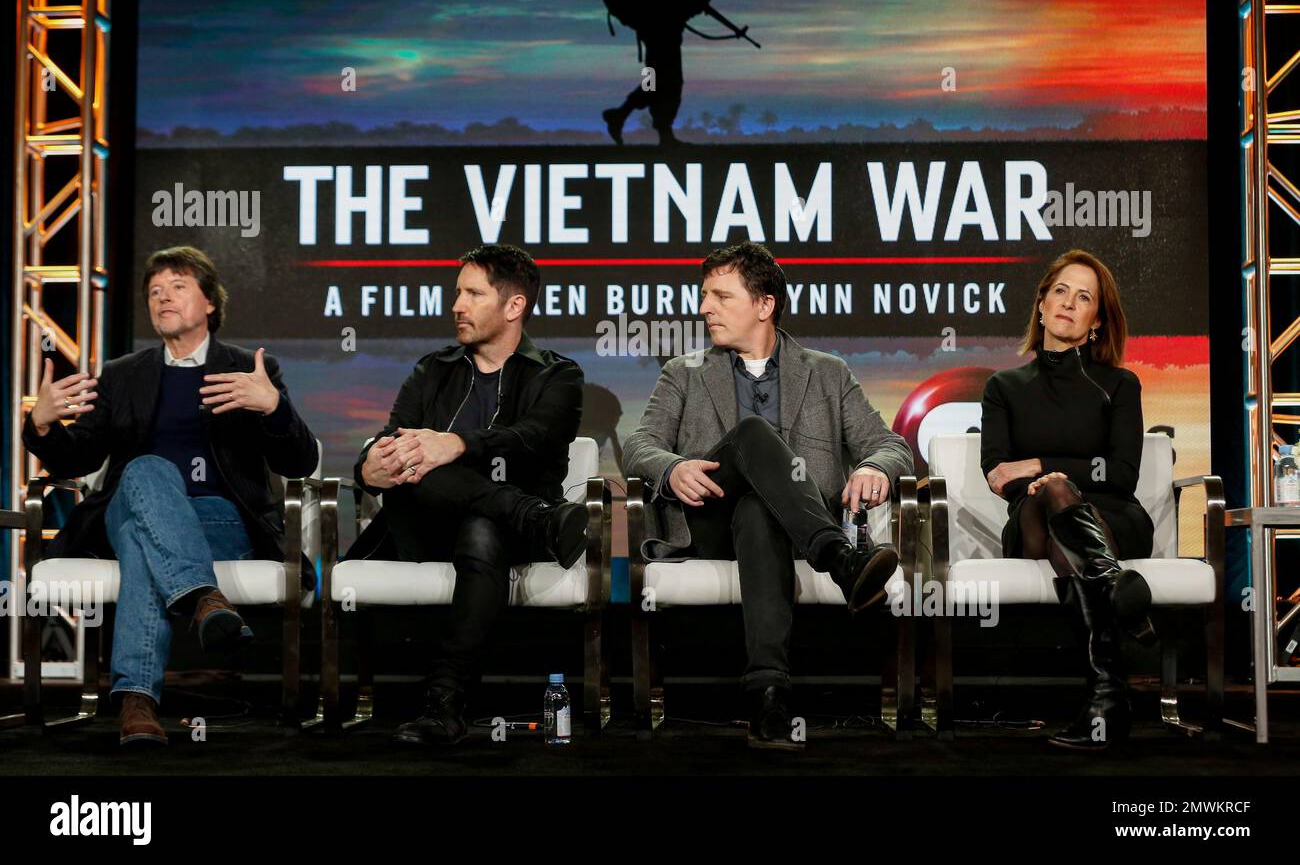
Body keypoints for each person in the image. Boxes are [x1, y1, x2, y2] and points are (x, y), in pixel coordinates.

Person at [22, 246, 319, 746]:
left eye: (178, 286)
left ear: (210, 303)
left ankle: (138, 702)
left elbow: (299, 463)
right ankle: (205, 598)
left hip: (221, 521)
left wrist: (274, 410)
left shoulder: (248, 369)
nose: (163, 298)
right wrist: (42, 426)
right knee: (146, 471)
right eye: (154, 291)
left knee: (145, 545)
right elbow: (79, 459)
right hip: (125, 509)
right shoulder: (123, 374)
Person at [624, 241, 914, 750]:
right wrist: (672, 468)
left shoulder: (828, 372)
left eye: (720, 296)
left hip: (783, 529)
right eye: (703, 295)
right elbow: (639, 445)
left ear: (764, 305)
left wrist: (874, 466)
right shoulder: (683, 373)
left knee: (759, 510)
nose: (703, 307)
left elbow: (891, 446)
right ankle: (838, 556)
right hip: (710, 522)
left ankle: (768, 697)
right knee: (754, 432)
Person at [351, 244, 586, 745]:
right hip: (428, 526)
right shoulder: (432, 369)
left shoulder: (557, 375)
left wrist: (454, 444)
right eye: (458, 292)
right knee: (419, 459)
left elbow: (536, 437)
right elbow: (393, 442)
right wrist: (369, 466)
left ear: (514, 306)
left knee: (480, 522)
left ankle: (445, 703)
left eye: (473, 294)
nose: (456, 304)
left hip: (499, 537)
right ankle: (535, 516)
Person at [981, 249, 1155, 751]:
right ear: (1040, 305)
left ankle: (1106, 693)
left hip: (1114, 517)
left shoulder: (1119, 385)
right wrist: (1038, 482)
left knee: (1057, 487)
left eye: (1084, 298)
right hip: (1032, 521)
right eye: (1060, 291)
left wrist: (1040, 467)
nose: (1068, 303)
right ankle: (1113, 584)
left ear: (1096, 321)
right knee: (1050, 494)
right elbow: (998, 473)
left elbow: (1121, 475)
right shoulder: (1004, 387)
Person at [603, 0, 709, 146]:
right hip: (660, 32)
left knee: (658, 80)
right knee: (667, 81)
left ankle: (623, 116)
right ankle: (657, 131)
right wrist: (691, 7)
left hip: (657, 31)